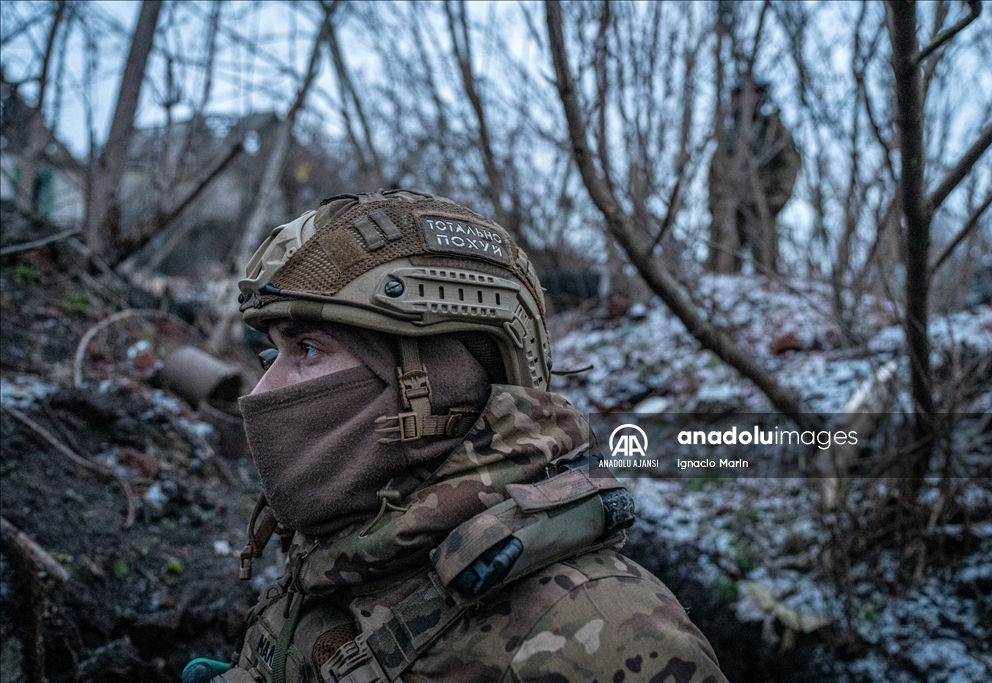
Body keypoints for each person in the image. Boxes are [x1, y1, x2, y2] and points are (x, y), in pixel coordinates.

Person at [192, 190, 727, 682]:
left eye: (307, 349)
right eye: (271, 353)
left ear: (440, 382)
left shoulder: (603, 637)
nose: (263, 391)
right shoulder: (337, 551)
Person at [706, 82, 801, 274]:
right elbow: (715, 170)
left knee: (766, 262)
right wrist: (716, 202)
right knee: (722, 263)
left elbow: (790, 165)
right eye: (742, 95)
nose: (748, 99)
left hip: (762, 203)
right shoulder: (730, 132)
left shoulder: (773, 129)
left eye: (753, 94)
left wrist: (776, 199)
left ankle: (767, 295)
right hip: (731, 205)